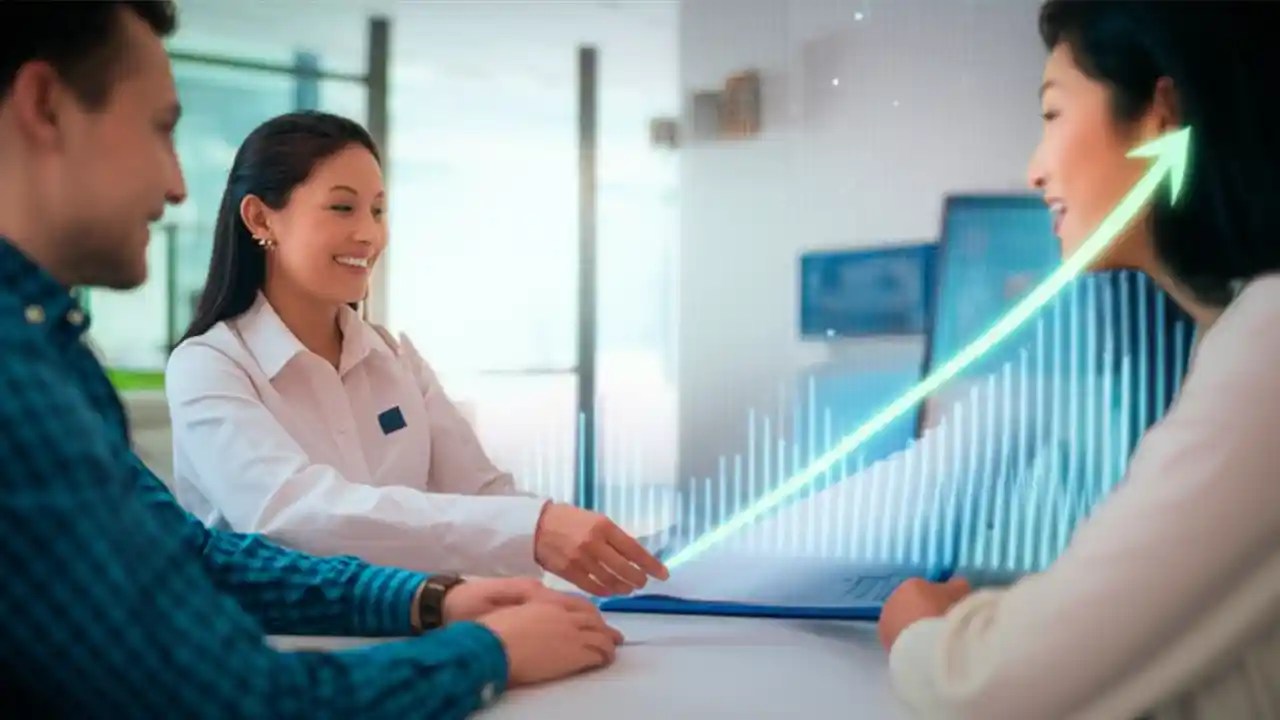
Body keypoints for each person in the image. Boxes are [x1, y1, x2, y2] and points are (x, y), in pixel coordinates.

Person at [0, 3, 624, 716]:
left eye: (379, 210)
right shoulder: (151, 367)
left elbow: (197, 557)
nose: (177, 186)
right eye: (161, 129)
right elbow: (249, 669)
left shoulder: (54, 355)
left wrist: (429, 598)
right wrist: (492, 644)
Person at [877, 1, 1280, 718]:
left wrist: (919, 631)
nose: (1035, 170)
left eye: (1053, 115)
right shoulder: (1231, 339)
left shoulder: (1268, 347)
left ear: (1163, 114)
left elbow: (998, 689)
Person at [163, 109, 669, 597]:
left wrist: (573, 541)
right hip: (274, 652)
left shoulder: (394, 357)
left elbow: (478, 493)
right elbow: (292, 515)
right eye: (343, 207)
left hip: (415, 628)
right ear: (259, 218)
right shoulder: (209, 366)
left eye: (378, 210)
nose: (369, 233)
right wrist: (531, 529)